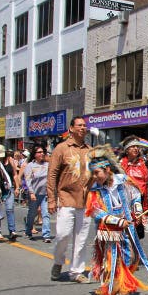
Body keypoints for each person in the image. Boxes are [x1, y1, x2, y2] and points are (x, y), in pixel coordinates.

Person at [85, 145, 148, 295]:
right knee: (112, 260)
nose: (95, 177)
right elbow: (96, 212)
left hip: (127, 227)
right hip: (109, 230)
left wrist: (137, 210)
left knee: (130, 256)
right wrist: (117, 221)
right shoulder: (96, 190)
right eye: (93, 174)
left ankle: (122, 286)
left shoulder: (122, 182)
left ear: (107, 169)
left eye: (97, 173)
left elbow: (136, 196)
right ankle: (115, 289)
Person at [47, 116, 92, 283]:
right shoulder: (61, 148)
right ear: (71, 128)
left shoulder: (90, 150)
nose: (83, 128)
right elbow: (52, 175)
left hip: (85, 201)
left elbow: (96, 173)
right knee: (62, 235)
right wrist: (52, 199)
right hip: (66, 198)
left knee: (81, 239)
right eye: (79, 125)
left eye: (84, 125)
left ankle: (76, 272)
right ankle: (58, 261)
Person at [23, 145, 52, 243]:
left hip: (45, 194)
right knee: (32, 214)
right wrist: (31, 192)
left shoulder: (48, 165)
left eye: (43, 152)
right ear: (34, 155)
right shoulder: (30, 166)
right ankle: (28, 231)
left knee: (46, 214)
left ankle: (46, 235)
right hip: (34, 194)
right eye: (39, 152)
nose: (42, 154)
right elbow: (28, 180)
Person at [0, 145, 22, 240]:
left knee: (10, 209)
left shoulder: (10, 159)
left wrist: (17, 187)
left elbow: (15, 174)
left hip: (9, 187)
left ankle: (12, 230)